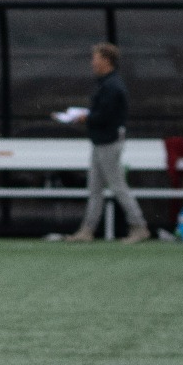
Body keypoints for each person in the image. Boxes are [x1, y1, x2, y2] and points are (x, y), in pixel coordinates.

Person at [69, 42, 147, 242]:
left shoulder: (113, 86)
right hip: (101, 141)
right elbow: (102, 113)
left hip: (108, 143)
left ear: (106, 60)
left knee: (118, 186)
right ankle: (87, 230)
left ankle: (139, 227)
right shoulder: (106, 83)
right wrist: (88, 116)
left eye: (95, 58)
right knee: (95, 188)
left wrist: (86, 117)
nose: (92, 62)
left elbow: (105, 116)